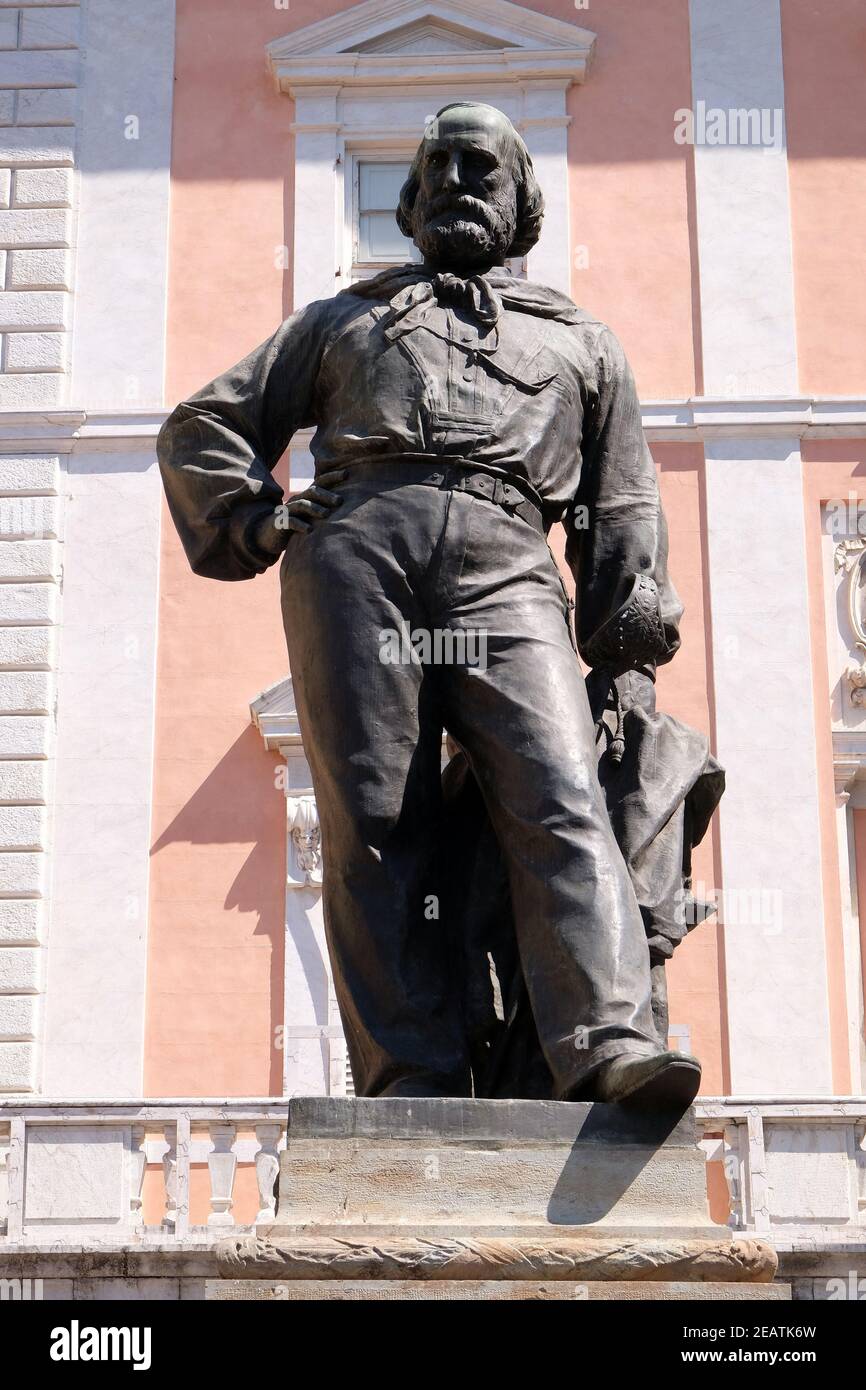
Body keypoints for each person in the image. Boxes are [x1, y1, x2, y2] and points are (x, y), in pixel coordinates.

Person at [157, 101, 702, 1108]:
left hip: (507, 555)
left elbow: (619, 504)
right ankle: (410, 1073)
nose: (455, 178)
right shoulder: (342, 321)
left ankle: (606, 1037)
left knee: (557, 787)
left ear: (518, 201)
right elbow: (203, 422)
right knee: (372, 817)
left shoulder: (580, 344)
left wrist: (625, 657)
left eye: (478, 165)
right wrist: (262, 519)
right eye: (435, 164)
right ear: (408, 201)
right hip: (355, 551)